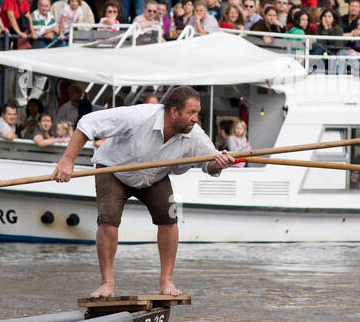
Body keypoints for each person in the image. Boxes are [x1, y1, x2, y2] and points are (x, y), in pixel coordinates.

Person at [50, 86, 236, 298]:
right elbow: (88, 123)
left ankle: (166, 281)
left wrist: (219, 163)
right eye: (191, 113)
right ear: (174, 111)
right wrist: (67, 160)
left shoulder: (195, 134)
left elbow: (209, 164)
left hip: (154, 176)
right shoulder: (139, 116)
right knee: (108, 220)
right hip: (114, 170)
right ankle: (107, 283)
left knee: (169, 218)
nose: (196, 119)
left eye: (197, 113)